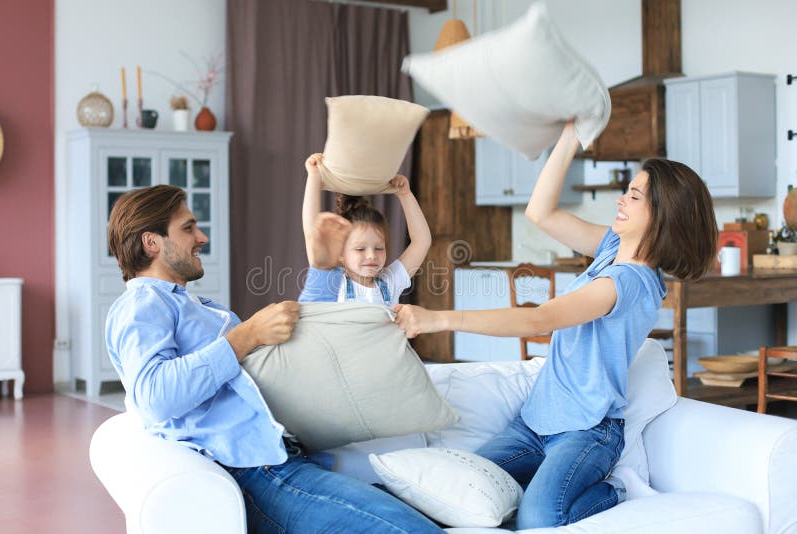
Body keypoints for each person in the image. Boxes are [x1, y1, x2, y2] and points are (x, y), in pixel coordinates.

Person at [394, 122, 718, 529]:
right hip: (534, 423)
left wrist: (436, 318)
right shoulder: (612, 247)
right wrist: (570, 137)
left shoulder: (629, 284)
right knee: (456, 491)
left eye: (634, 195)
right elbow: (540, 212)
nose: (622, 199)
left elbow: (539, 318)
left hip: (588, 433)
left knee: (538, 518)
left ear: (662, 214)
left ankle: (616, 489)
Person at [105, 184, 443, 534]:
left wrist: (324, 269)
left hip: (286, 457)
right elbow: (154, 397)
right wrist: (245, 336)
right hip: (261, 470)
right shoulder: (142, 303)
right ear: (152, 242)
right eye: (188, 228)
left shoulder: (194, 306)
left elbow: (303, 335)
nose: (201, 237)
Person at [299, 153, 431, 304]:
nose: (371, 256)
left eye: (379, 248)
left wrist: (405, 195)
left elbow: (422, 241)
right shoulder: (332, 282)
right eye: (360, 249)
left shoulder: (391, 283)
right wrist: (314, 176)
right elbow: (312, 234)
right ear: (340, 253)